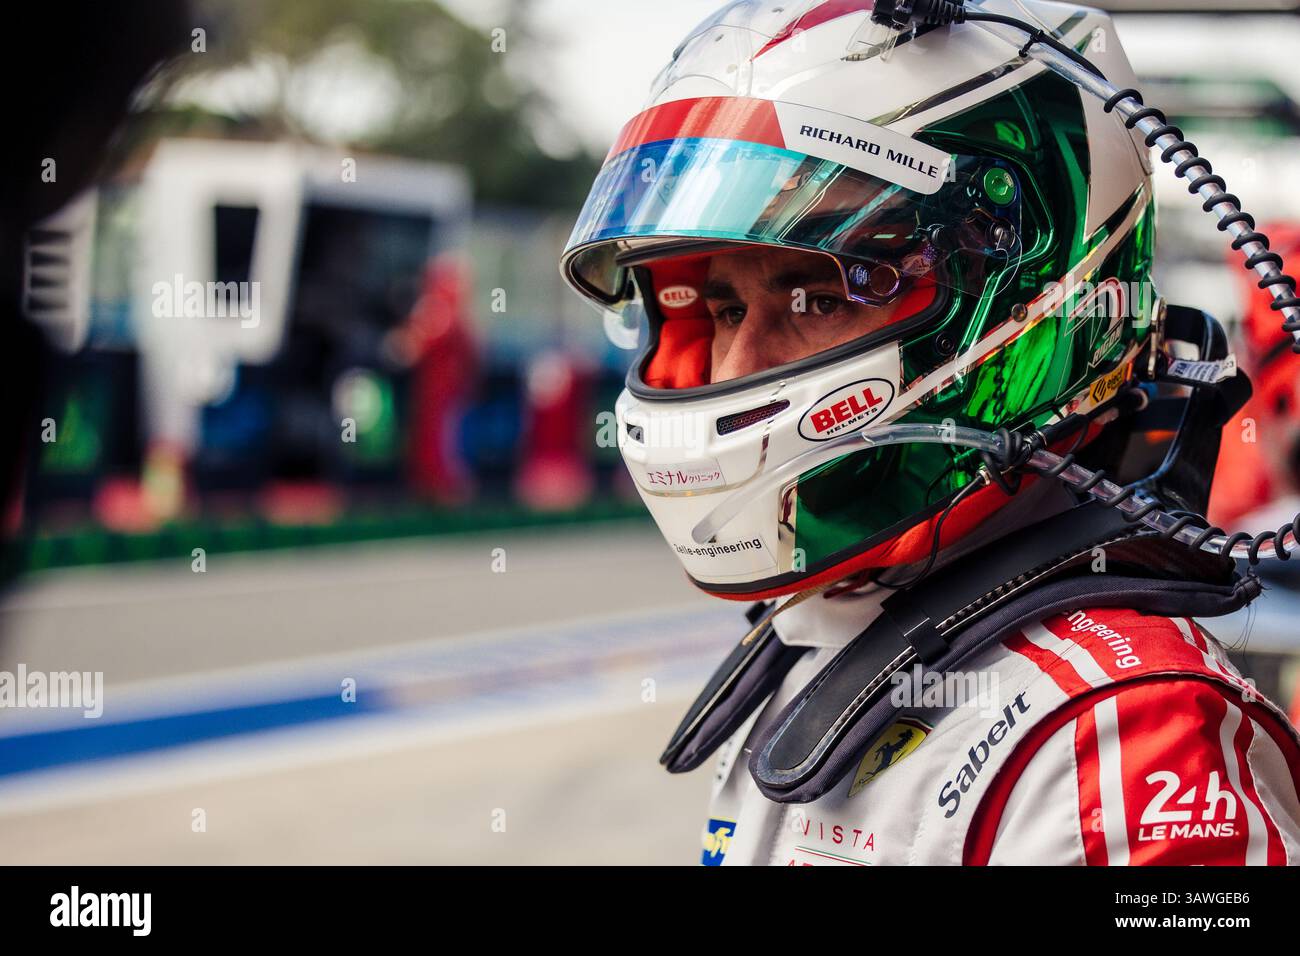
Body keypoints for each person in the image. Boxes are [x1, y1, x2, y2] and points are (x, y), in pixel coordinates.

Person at [560, 0, 1300, 865]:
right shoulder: (841, 620)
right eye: (723, 309)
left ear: (1016, 293)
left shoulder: (1118, 747)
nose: (731, 369)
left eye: (819, 296)